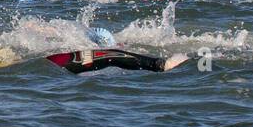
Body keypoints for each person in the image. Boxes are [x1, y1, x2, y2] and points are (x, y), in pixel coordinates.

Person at [47, 48, 189, 74]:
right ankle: (160, 65)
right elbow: (113, 55)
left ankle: (160, 65)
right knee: (112, 55)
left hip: (56, 64)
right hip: (58, 63)